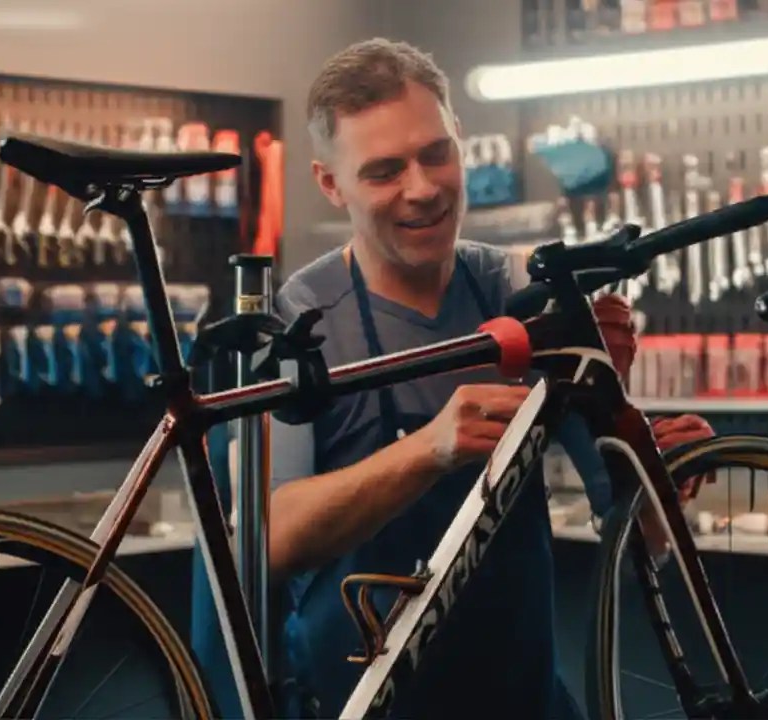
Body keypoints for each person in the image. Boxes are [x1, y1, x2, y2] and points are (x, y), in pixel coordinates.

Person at [265, 38, 714, 719]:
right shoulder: (303, 316)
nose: (422, 188)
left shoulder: (519, 292)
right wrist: (427, 450)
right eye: (384, 171)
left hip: (521, 700)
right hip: (363, 704)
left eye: (435, 153)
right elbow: (274, 537)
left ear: (459, 140)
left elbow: (630, 537)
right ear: (332, 183)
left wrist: (660, 491)